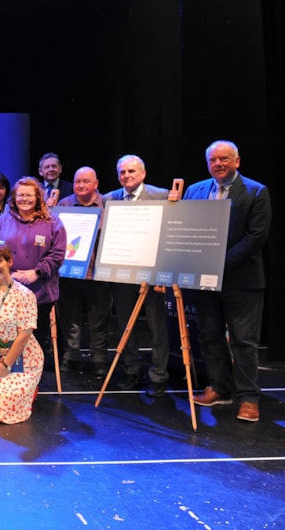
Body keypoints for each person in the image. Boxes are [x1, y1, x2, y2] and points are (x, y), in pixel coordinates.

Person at [184, 140, 271, 422]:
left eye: (224, 159)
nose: (218, 164)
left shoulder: (256, 191)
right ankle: (220, 388)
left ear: (237, 161)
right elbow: (187, 229)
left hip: (242, 281)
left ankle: (248, 398)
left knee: (244, 341)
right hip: (205, 281)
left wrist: (219, 264)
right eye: (213, 160)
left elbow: (255, 237)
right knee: (209, 336)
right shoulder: (195, 190)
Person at [102, 154, 170, 396]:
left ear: (142, 174)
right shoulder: (109, 198)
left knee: (156, 325)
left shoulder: (162, 195)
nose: (126, 176)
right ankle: (131, 371)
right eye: (122, 172)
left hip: (153, 274)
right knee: (125, 325)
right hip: (122, 272)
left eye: (131, 171)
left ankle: (159, 375)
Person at [0, 177, 67, 353]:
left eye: (29, 195)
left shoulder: (52, 222)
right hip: (6, 292)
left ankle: (32, 379)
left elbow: (58, 253)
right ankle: (6, 377)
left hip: (40, 293)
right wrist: (7, 275)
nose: (25, 199)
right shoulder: (2, 222)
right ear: (14, 197)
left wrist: (36, 272)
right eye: (20, 195)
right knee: (6, 343)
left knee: (33, 344)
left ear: (38, 197)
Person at [0, 241, 44, 424]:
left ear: (9, 262)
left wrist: (6, 365)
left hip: (22, 359)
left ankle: (31, 389)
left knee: (5, 402)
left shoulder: (25, 295)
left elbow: (24, 334)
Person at [56, 166, 113, 377]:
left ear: (96, 184)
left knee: (99, 319)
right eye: (78, 181)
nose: (81, 185)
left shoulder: (108, 205)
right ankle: (71, 357)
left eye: (86, 181)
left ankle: (99, 360)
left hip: (99, 272)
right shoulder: (65, 204)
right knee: (70, 317)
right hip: (70, 272)